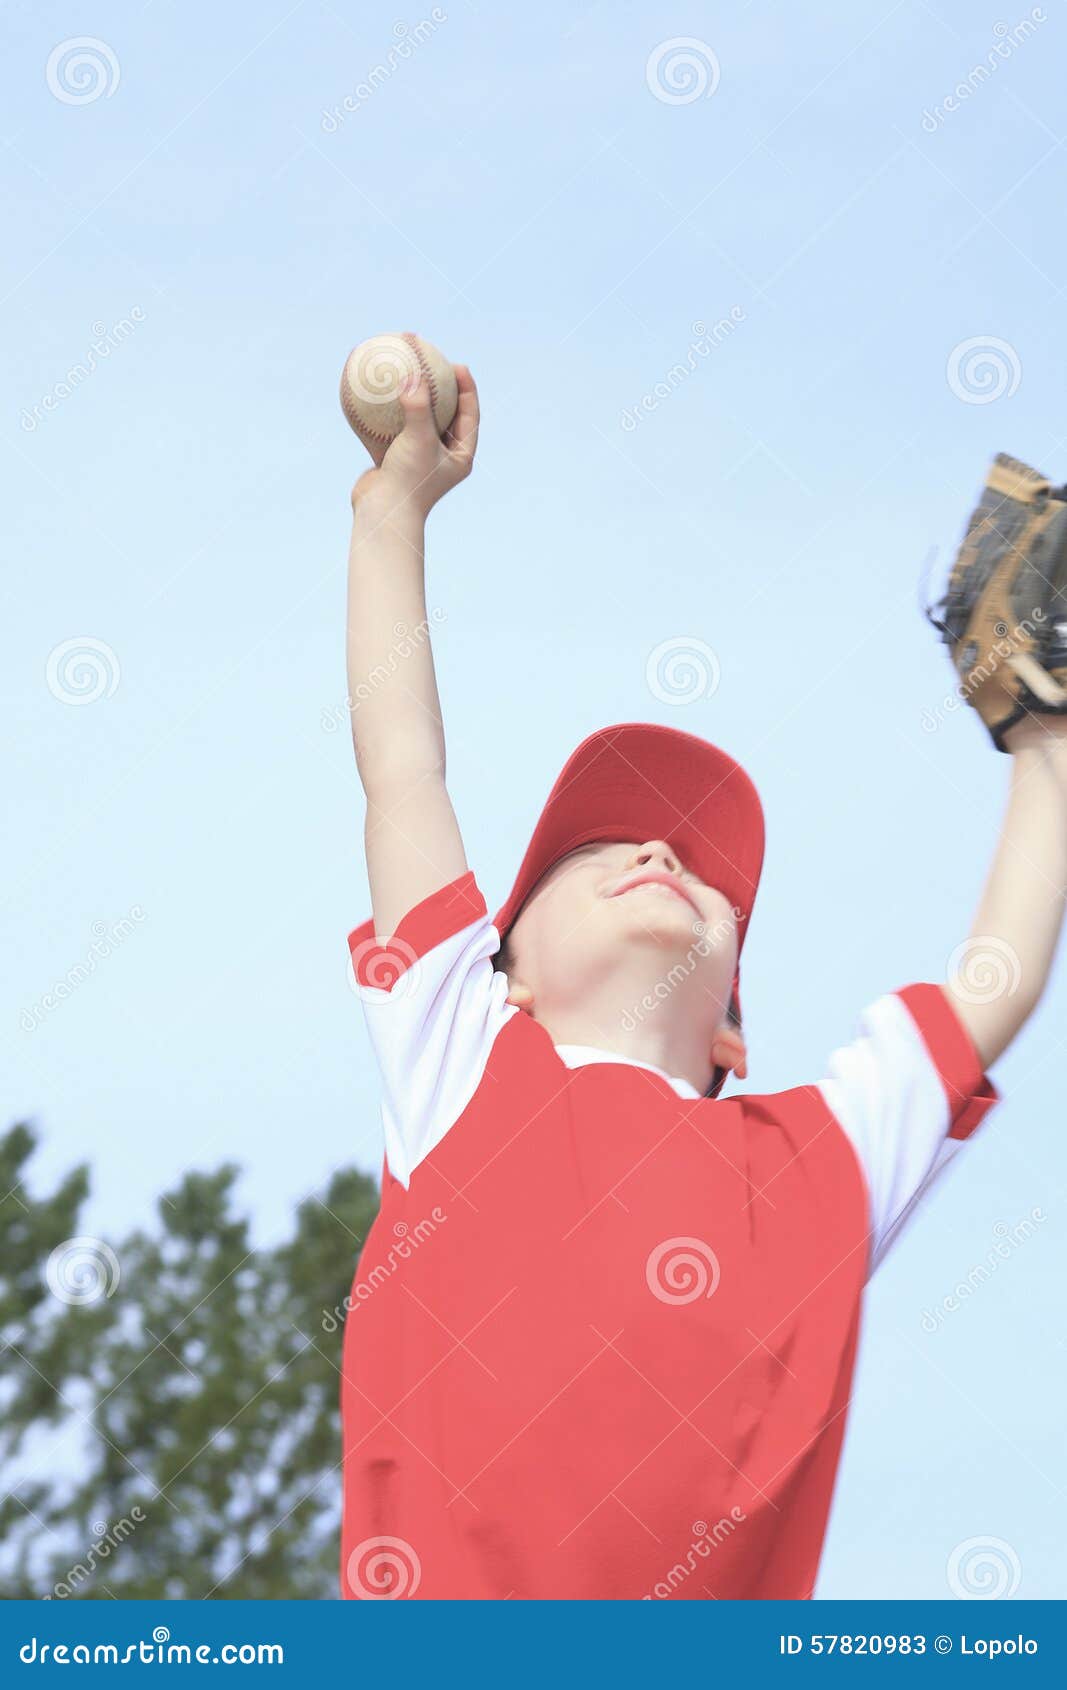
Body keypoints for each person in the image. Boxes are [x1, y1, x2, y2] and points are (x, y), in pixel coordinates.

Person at [338, 360, 1067, 1600]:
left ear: (735, 1032)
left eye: (700, 870)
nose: (660, 851)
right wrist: (389, 515)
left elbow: (986, 989)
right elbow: (402, 770)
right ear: (495, 971)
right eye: (596, 849)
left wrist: (1043, 739)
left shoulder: (808, 1164)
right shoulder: (464, 1059)